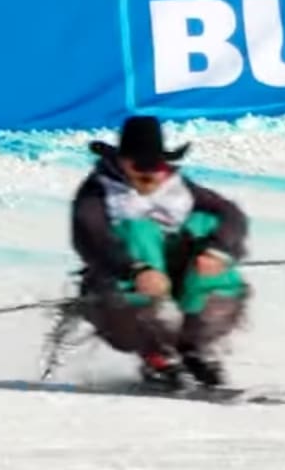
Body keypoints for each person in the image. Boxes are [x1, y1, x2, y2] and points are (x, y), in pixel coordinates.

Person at [69, 116, 250, 389]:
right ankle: (156, 353)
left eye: (156, 166)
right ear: (122, 162)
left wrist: (218, 251)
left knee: (206, 223)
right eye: (139, 166)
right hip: (121, 290)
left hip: (178, 279)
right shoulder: (98, 194)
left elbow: (231, 214)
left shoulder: (180, 189)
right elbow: (93, 239)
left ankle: (194, 347)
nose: (150, 174)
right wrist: (134, 269)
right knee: (138, 231)